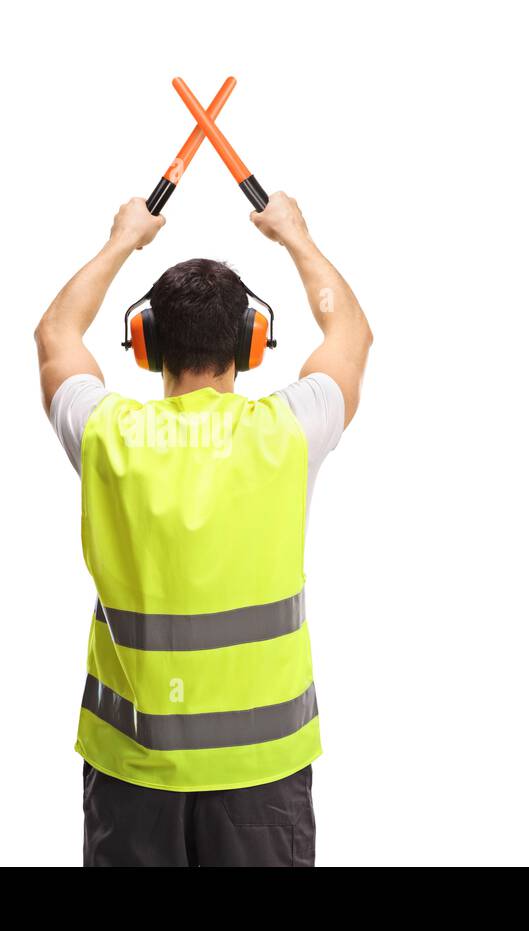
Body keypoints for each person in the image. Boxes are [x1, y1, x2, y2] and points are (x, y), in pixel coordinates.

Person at [35, 192, 372, 866]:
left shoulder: (108, 437)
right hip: (263, 778)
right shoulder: (289, 432)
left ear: (145, 342)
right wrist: (294, 236)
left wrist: (123, 239)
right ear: (250, 344)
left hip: (134, 771)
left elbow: (55, 335)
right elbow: (352, 335)